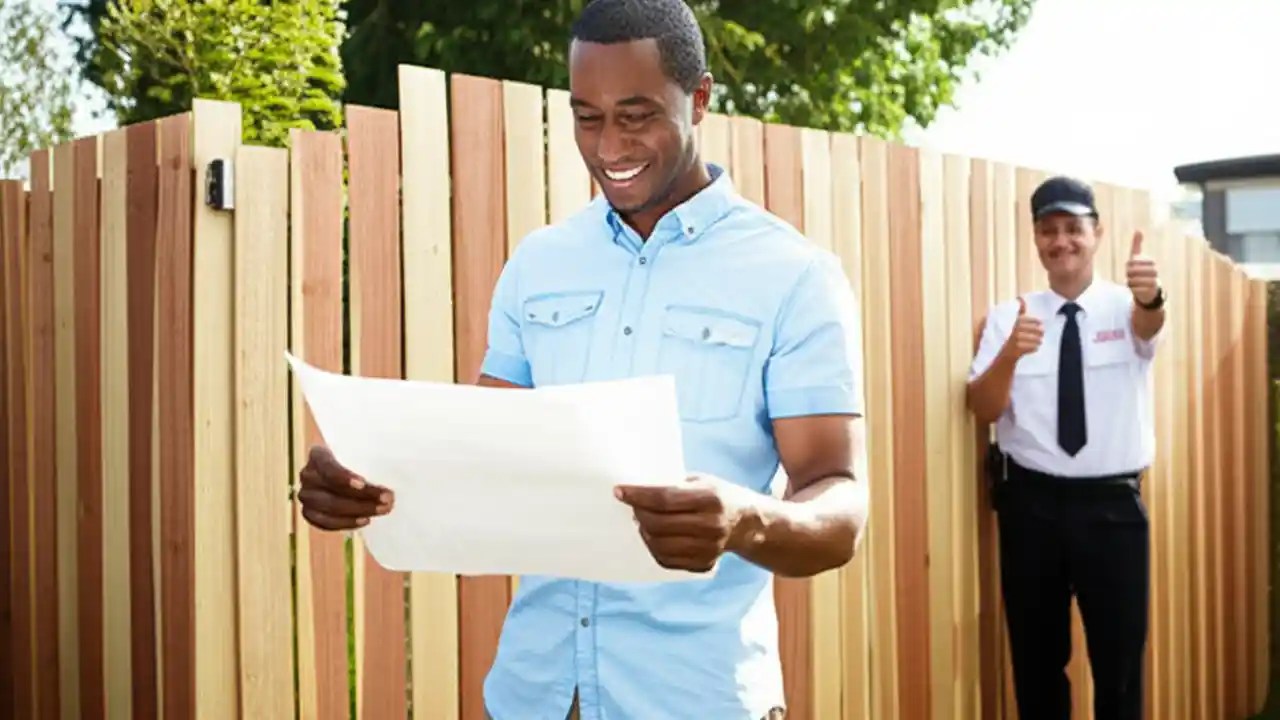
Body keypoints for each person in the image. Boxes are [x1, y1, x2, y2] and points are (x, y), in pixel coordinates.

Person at [296, 0, 869, 717]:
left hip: (697, 700)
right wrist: (364, 475)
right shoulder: (540, 264)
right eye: (586, 117)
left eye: (635, 115)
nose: (607, 147)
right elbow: (482, 457)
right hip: (536, 694)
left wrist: (744, 520)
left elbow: (840, 504)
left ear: (699, 99)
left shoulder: (794, 274)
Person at [966, 175, 1165, 720]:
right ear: (1036, 238)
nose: (1061, 241)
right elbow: (982, 408)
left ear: (1096, 233)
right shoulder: (1010, 315)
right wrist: (1009, 355)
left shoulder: (1128, 307)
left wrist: (1152, 296)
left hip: (1114, 510)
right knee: (1036, 663)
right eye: (1048, 230)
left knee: (1119, 665)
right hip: (1032, 508)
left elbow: (1150, 325)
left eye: (1073, 229)